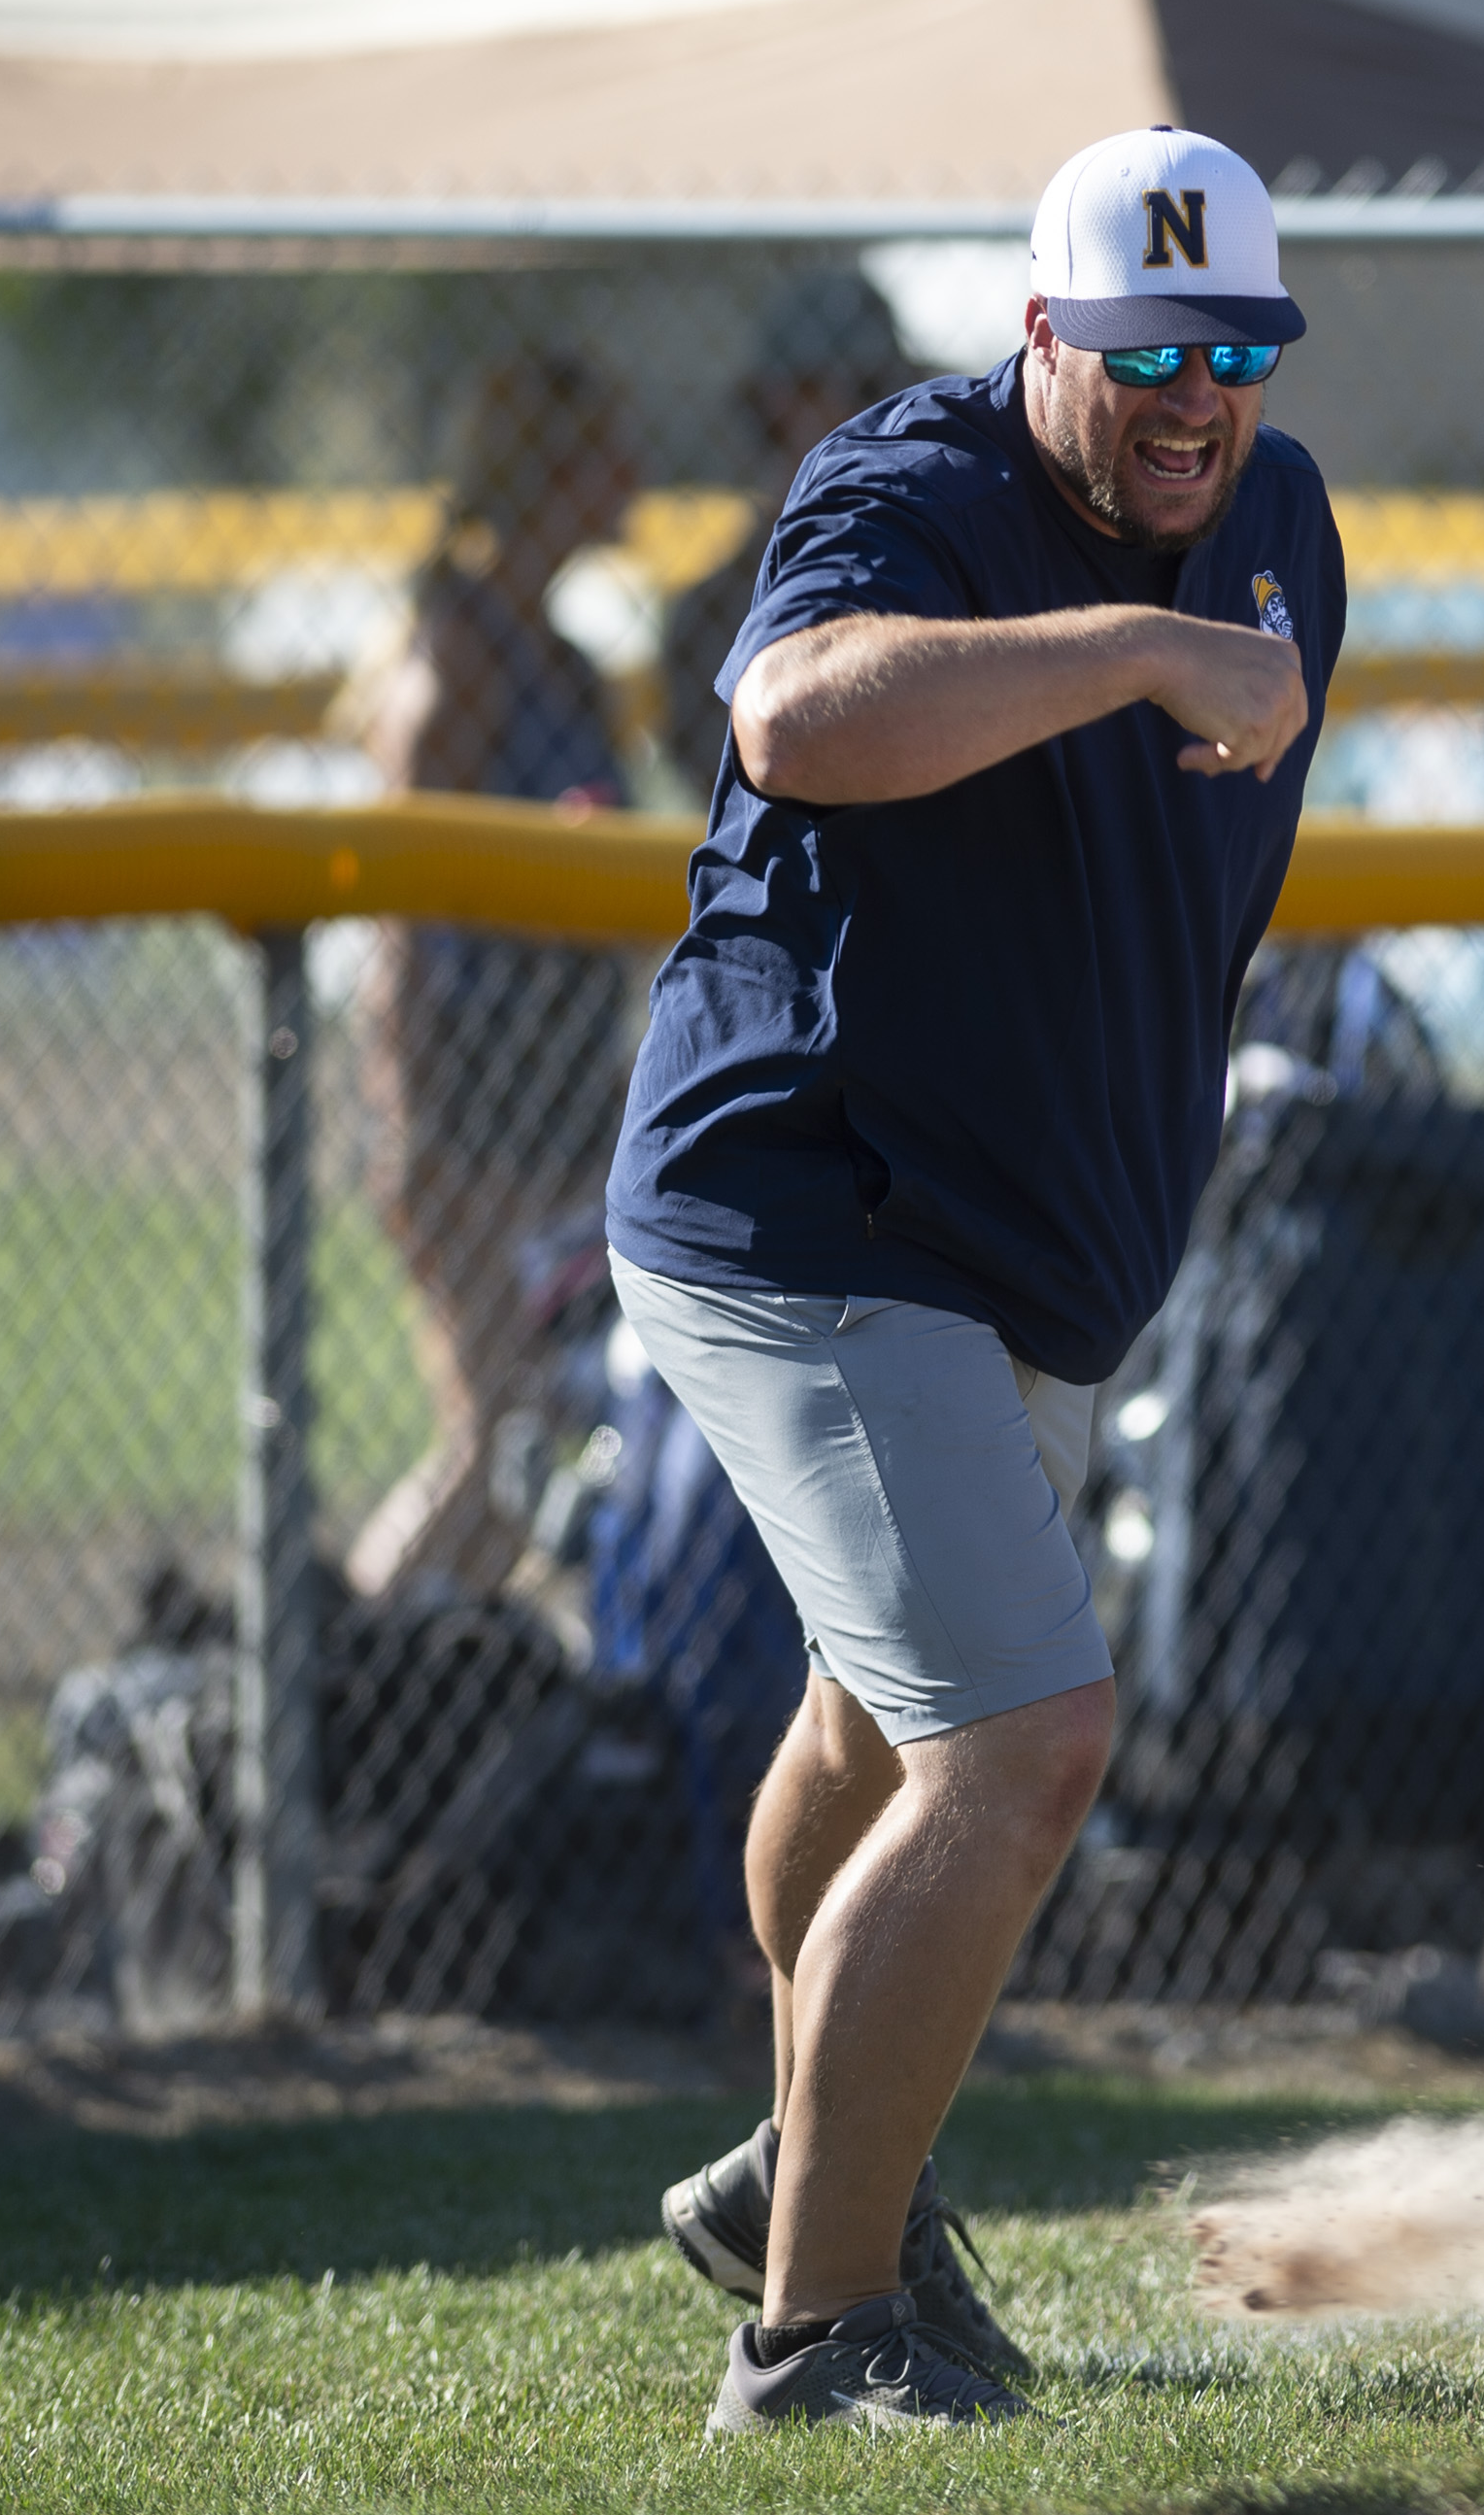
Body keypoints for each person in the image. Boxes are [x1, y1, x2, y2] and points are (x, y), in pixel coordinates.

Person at [600, 126, 1332, 2432]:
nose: (1187, 396)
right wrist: (1127, 643)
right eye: (1136, 351)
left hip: (1014, 1239)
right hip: (816, 1207)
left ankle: (818, 2176)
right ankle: (816, 2333)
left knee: (877, 1722)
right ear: (1041, 336)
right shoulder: (906, 481)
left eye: (1227, 349)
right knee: (1020, 1742)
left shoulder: (1282, 515)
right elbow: (797, 714)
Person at [342, 352, 645, 1603]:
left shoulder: (565, 660)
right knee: (492, 1437)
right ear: (553, 477)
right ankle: (333, 1669)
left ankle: (440, 1676)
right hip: (467, 1103)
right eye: (606, 454)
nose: (633, 478)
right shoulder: (458, 655)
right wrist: (404, 1120)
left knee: (558, 1428)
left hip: (565, 1098)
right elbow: (401, 914)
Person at [659, 269, 921, 803]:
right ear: (783, 399)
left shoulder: (927, 563)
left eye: (897, 392)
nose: (892, 417)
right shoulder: (710, 614)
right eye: (870, 391)